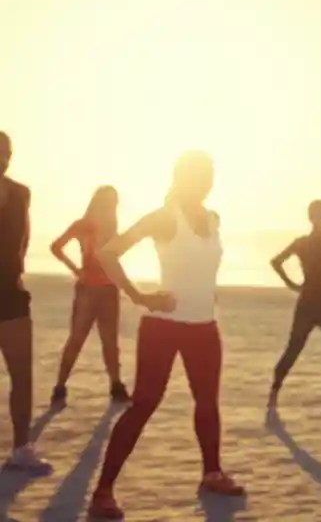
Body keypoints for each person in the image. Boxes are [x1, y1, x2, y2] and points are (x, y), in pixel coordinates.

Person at [89, 151, 245, 520]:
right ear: (181, 177)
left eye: (209, 175)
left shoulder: (212, 219)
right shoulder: (163, 218)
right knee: (144, 404)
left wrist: (210, 297)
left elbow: (204, 269)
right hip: (165, 326)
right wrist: (139, 295)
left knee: (208, 402)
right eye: (197, 175)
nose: (205, 182)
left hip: (205, 327)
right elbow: (108, 253)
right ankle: (103, 490)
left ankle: (212, 473)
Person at [49, 185, 131, 405]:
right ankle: (60, 386)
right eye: (109, 202)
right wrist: (76, 270)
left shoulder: (112, 226)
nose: (112, 207)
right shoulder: (83, 225)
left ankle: (116, 385)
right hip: (88, 290)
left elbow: (114, 256)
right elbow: (56, 247)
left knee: (110, 342)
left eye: (114, 203)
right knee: (77, 338)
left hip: (109, 290)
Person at [0, 132, 52, 474]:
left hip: (11, 294)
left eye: (6, 152)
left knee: (22, 375)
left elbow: (25, 237)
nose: (4, 157)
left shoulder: (21, 193)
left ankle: (21, 449)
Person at [268, 200, 321, 408]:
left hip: (316, 299)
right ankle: (277, 385)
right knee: (302, 346)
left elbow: (276, 262)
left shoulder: (308, 243)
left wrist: (293, 284)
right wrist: (292, 284)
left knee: (316, 346)